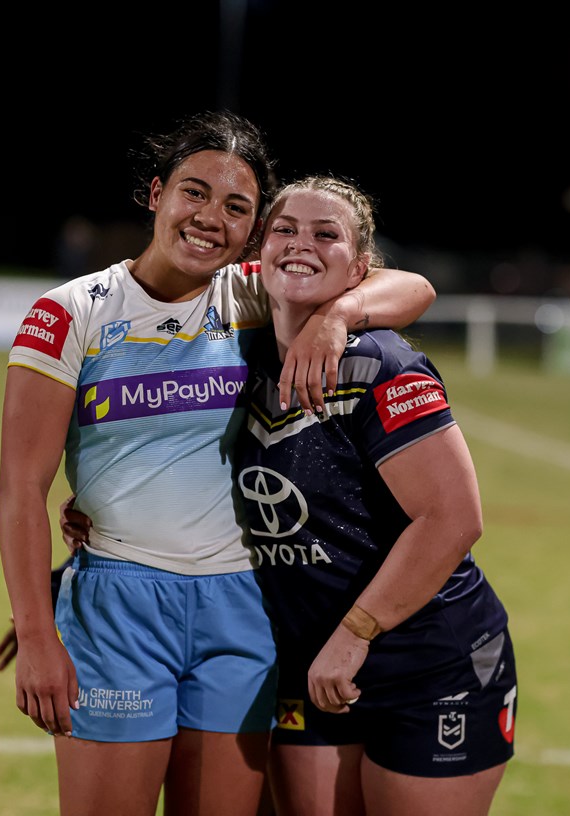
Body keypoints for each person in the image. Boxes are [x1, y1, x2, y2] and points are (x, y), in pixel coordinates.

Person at [0, 110, 435, 816]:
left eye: (236, 207)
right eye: (193, 193)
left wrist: (336, 316)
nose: (210, 218)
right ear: (156, 194)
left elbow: (414, 287)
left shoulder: (251, 296)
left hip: (242, 606)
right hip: (119, 603)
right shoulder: (71, 313)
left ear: (254, 229)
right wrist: (38, 631)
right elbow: (21, 487)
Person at [57, 176, 515, 815]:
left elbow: (454, 519)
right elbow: (176, 457)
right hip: (306, 664)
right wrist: (96, 516)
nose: (302, 244)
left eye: (326, 235)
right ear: (260, 251)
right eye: (286, 230)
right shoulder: (242, 354)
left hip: (425, 660)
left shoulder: (381, 364)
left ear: (359, 268)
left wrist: (339, 315)